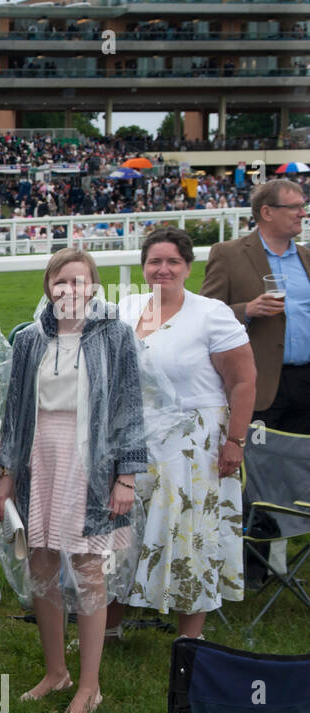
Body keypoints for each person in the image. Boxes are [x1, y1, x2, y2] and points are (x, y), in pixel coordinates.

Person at [0, 249, 148, 713]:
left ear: (94, 287)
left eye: (79, 282)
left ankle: (89, 685)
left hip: (93, 463)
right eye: (60, 282)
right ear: (48, 286)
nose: (69, 290)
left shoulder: (115, 336)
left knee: (87, 568)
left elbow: (129, 406)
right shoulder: (28, 339)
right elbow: (15, 408)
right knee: (41, 562)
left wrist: (126, 474)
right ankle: (55, 671)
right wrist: (6, 472)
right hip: (39, 457)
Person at [112, 227, 256, 637]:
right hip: (135, 439)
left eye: (173, 261)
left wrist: (236, 441)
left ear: (188, 268)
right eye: (155, 261)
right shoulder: (127, 307)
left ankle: (189, 637)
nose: (163, 269)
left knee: (189, 534)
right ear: (144, 266)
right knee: (127, 532)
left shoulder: (211, 313)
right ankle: (106, 631)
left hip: (195, 446)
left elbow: (244, 380)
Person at [200, 179, 309, 433]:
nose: (303, 213)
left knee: (303, 467)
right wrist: (246, 311)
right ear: (267, 212)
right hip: (258, 383)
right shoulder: (228, 254)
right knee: (259, 466)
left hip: (306, 384)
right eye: (295, 207)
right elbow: (204, 314)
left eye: (303, 206)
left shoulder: (307, 258)